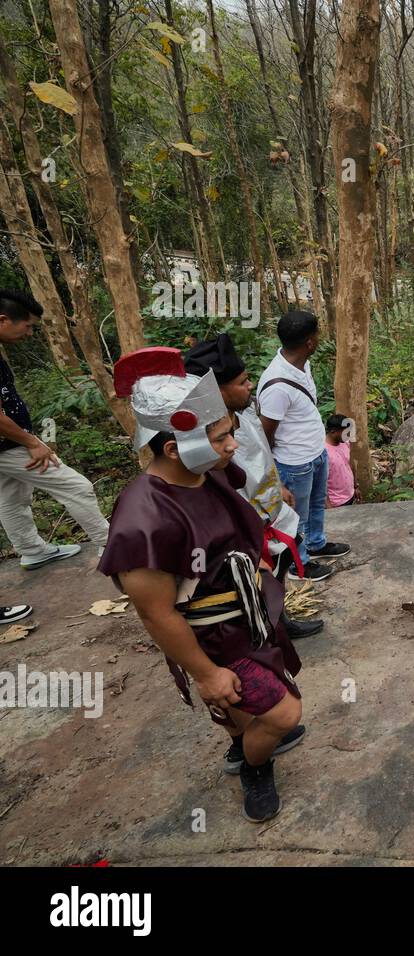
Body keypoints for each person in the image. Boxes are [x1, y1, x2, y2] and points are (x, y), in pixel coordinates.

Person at [100, 347, 305, 823]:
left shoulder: (205, 474)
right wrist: (206, 673)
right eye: (219, 437)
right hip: (210, 635)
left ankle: (242, 744)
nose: (233, 445)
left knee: (245, 706)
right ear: (172, 448)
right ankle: (257, 764)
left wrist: (257, 569)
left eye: (229, 431)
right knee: (284, 715)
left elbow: (241, 519)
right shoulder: (142, 521)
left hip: (247, 616)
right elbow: (157, 613)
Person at [183, 334, 327, 636]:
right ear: (218, 392)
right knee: (255, 574)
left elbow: (263, 449)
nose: (250, 386)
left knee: (280, 561)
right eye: (242, 382)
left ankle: (280, 617)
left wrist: (279, 487)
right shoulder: (206, 438)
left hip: (270, 505)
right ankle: (264, 624)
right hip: (244, 520)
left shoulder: (246, 413)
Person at [0, 290, 111, 569]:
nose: (29, 334)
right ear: (3, 320)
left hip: (9, 442)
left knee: (12, 497)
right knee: (76, 486)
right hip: (8, 444)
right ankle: (110, 546)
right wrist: (32, 442)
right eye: (28, 326)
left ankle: (32, 550)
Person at [257, 309, 350, 568]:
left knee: (316, 506)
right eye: (317, 336)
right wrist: (276, 479)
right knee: (296, 515)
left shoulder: (302, 364)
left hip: (315, 453)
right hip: (294, 463)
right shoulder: (277, 386)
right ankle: (298, 563)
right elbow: (265, 434)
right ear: (310, 342)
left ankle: (316, 543)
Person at [324, 415, 356, 507]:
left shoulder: (345, 443)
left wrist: (355, 487)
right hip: (336, 503)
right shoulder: (323, 453)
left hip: (350, 496)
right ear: (333, 431)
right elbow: (321, 483)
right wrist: (328, 506)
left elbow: (349, 465)